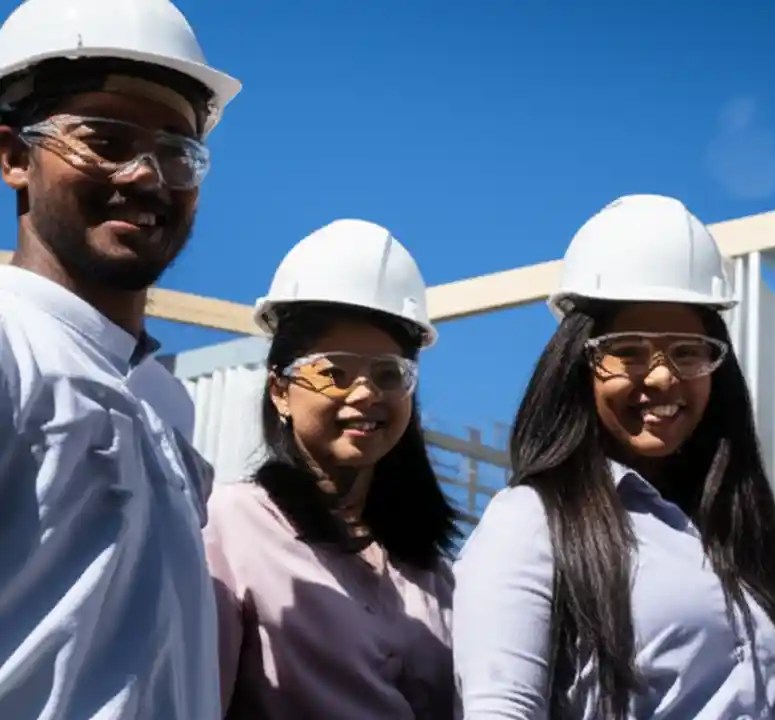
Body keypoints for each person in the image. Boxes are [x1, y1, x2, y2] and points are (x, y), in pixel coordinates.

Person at [453, 194, 775, 719]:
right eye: (629, 351)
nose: (662, 376)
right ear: (579, 365)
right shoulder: (531, 521)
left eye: (687, 352)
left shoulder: (739, 534)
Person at [0, 0, 240, 717]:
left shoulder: (164, 402)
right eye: (105, 140)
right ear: (13, 156)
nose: (146, 177)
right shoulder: (11, 342)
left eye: (177, 152)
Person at [202, 219, 461, 718]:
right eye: (334, 372)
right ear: (280, 390)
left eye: (389, 374)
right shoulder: (231, 527)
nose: (365, 393)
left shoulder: (431, 572)